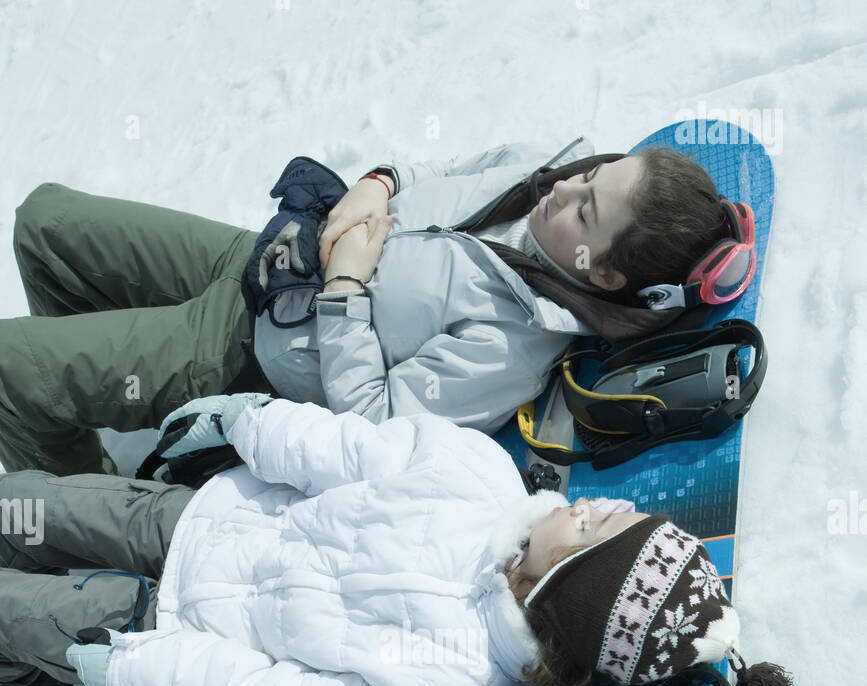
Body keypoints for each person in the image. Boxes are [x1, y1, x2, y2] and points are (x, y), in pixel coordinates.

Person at [0, 396, 790, 686]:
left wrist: (141, 671)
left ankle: (25, 664)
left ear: (563, 591)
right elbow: (345, 452)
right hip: (202, 518)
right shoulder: (478, 475)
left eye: (593, 530)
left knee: (13, 607)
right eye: (609, 511)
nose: (589, 505)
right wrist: (250, 422)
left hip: (160, 630)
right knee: (26, 504)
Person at [0, 138, 730, 476]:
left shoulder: (512, 342)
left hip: (245, 346)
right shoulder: (548, 172)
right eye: (594, 172)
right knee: (45, 221)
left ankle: (72, 514)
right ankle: (70, 405)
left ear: (600, 274)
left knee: (10, 367)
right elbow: (442, 167)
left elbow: (375, 430)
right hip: (262, 257)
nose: (566, 188)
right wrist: (378, 183)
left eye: (587, 210)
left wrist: (347, 291)